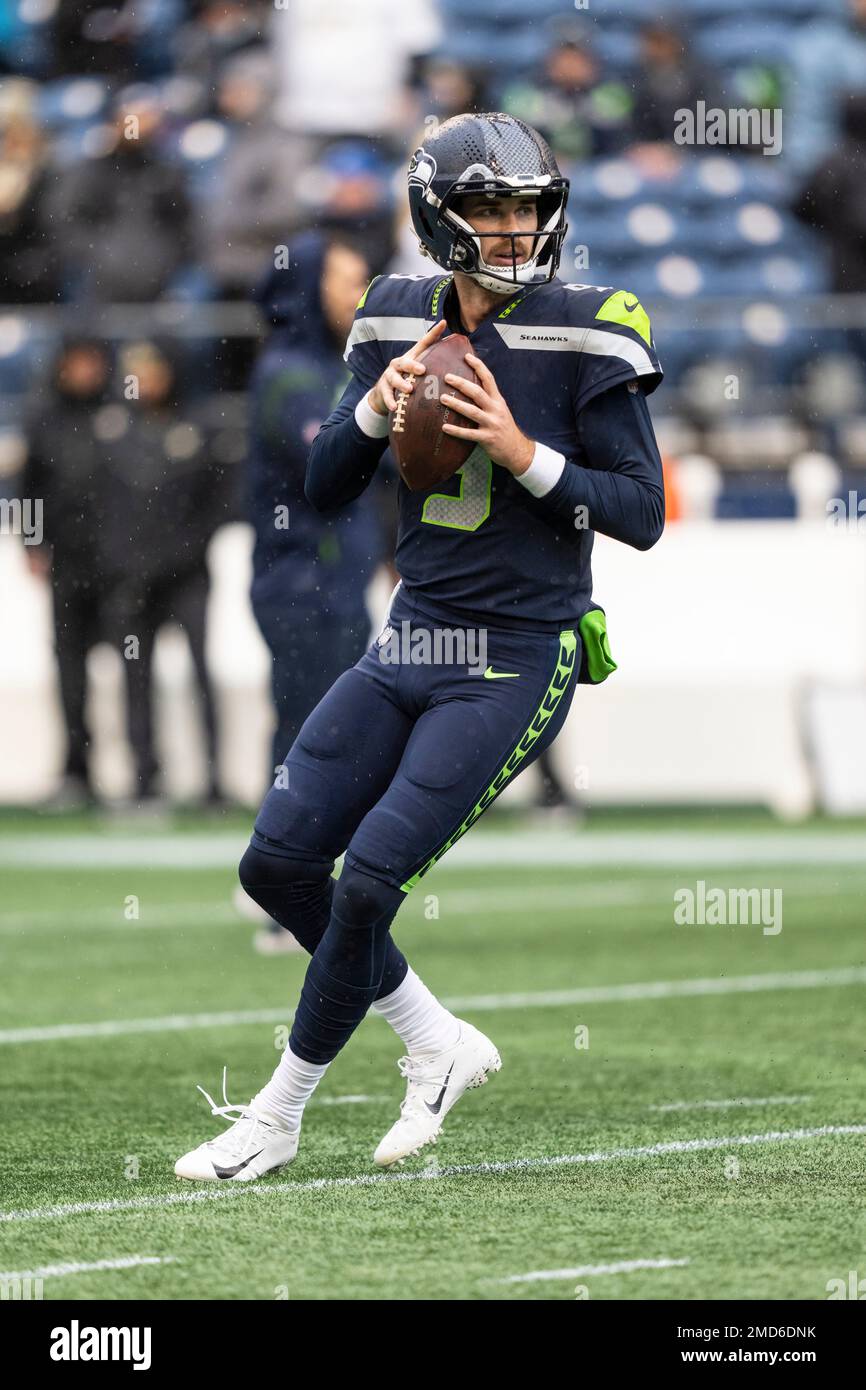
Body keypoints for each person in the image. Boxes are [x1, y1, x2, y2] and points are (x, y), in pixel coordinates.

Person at [175, 112, 664, 1183]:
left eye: (525, 207)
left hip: (517, 652)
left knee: (366, 881)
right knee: (277, 864)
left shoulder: (592, 323)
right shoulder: (393, 315)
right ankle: (435, 1039)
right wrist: (372, 413)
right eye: (487, 206)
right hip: (408, 640)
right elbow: (324, 486)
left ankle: (278, 1109)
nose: (510, 227)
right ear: (436, 217)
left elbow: (637, 510)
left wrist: (523, 454)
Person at [244, 231, 384, 950]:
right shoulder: (292, 374)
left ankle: (294, 887)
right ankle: (281, 898)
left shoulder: (333, 367)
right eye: (343, 278)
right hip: (302, 584)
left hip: (336, 584)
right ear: (306, 287)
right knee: (308, 734)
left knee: (328, 736)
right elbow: (326, 459)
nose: (357, 293)